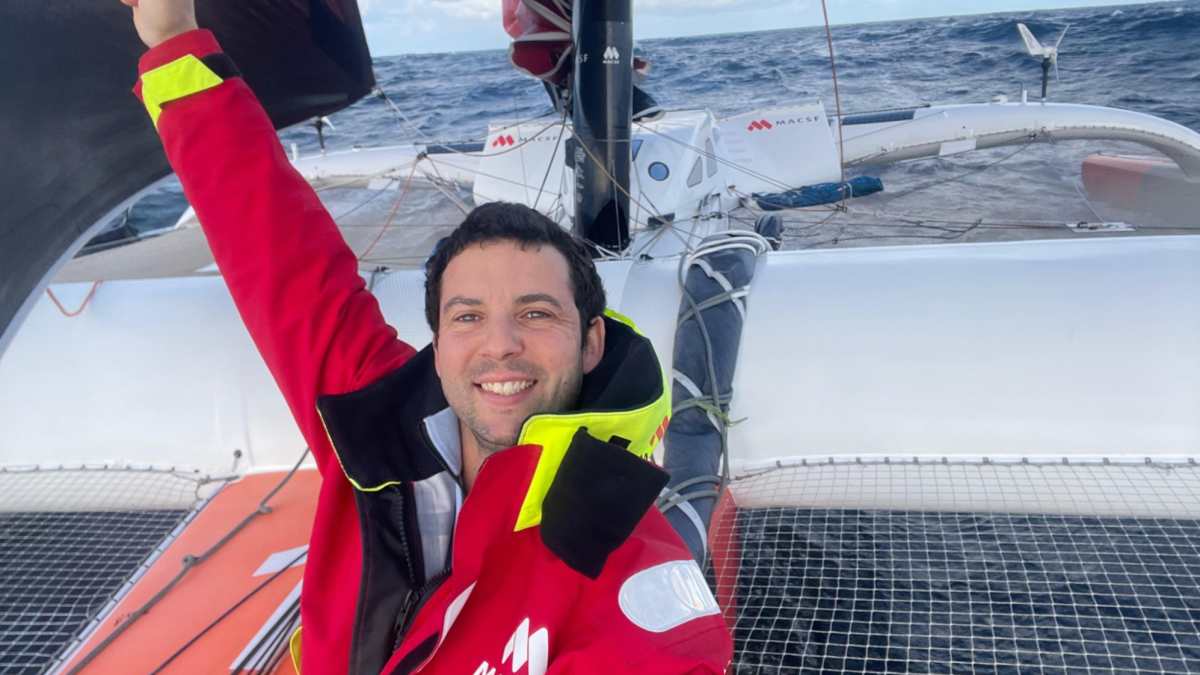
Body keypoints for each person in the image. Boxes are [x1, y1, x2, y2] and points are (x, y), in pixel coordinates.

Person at [120, 1, 734, 673]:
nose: (499, 345)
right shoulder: (370, 417)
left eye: (535, 313)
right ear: (437, 345)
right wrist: (172, 37)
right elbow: (270, 243)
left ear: (590, 343)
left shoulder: (627, 564)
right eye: (467, 316)